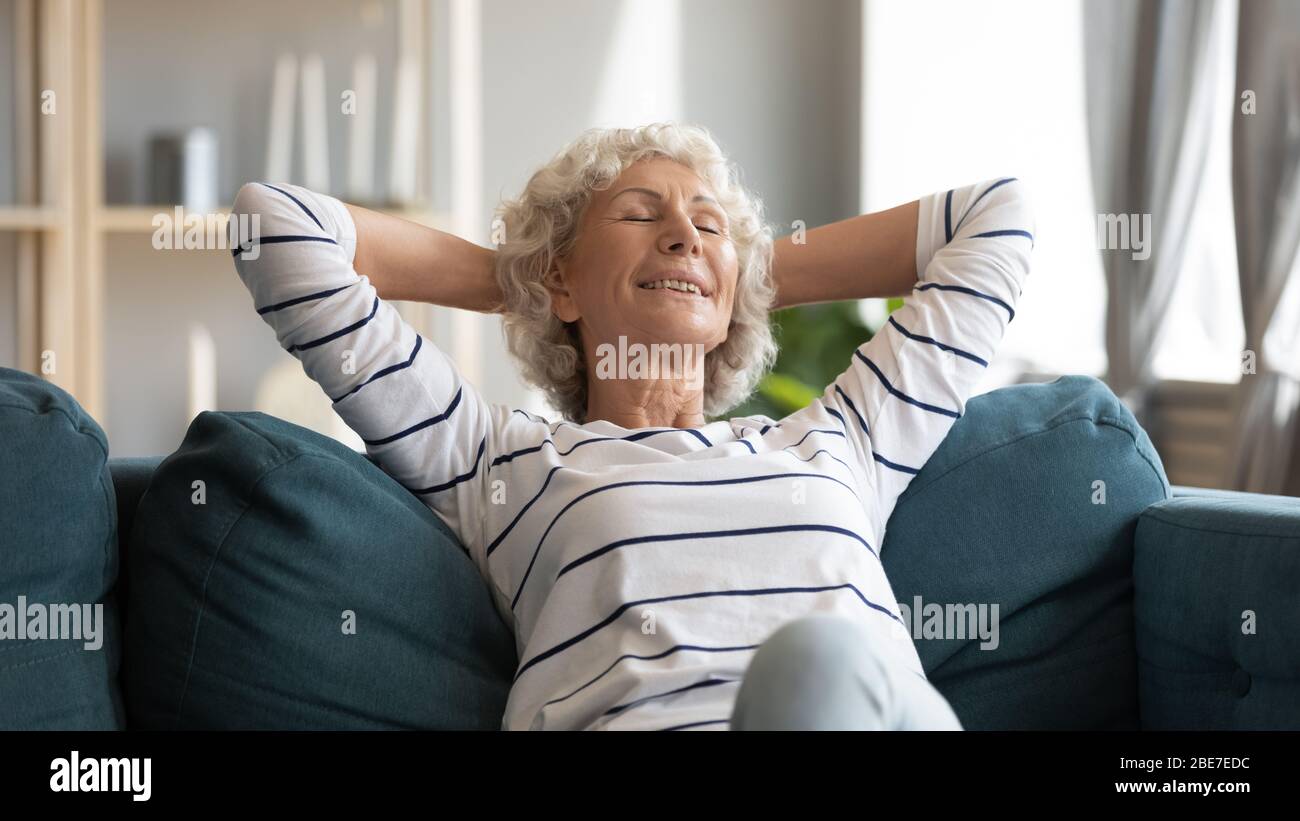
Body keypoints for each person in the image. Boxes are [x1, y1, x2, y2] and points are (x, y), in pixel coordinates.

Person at [229, 122, 1034, 730]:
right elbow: (275, 226)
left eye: (706, 223)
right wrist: (521, 276)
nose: (683, 231)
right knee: (818, 658)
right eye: (642, 215)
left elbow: (997, 218)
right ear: (563, 282)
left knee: (825, 662)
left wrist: (733, 275)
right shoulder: (501, 461)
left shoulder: (839, 442)